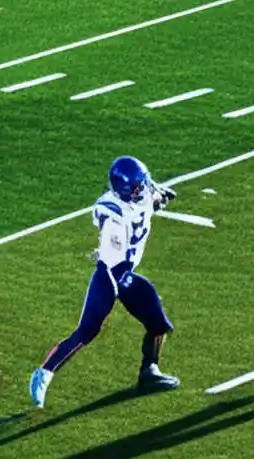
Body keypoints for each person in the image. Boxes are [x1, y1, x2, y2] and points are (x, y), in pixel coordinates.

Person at [30, 156, 179, 408]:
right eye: (138, 186)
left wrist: (157, 201)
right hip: (111, 276)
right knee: (86, 332)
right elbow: (115, 264)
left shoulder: (136, 198)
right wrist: (129, 284)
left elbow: (144, 208)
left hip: (125, 272)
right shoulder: (113, 216)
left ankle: (149, 372)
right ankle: (43, 373)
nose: (143, 188)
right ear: (125, 190)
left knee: (158, 323)